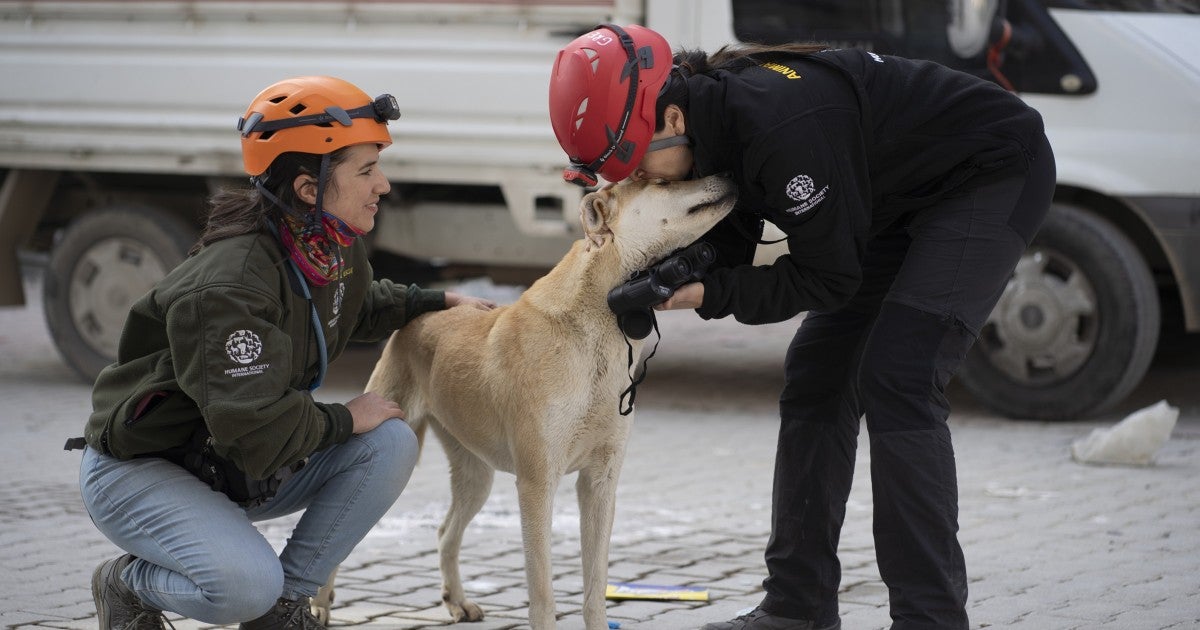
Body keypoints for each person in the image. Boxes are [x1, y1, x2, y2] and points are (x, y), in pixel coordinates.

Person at [549, 24, 1054, 630]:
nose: (645, 182)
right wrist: (689, 264)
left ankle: (930, 618)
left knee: (900, 374)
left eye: (639, 166)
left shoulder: (781, 124)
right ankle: (798, 607)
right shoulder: (716, 118)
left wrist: (710, 293)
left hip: (990, 172)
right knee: (818, 375)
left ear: (673, 119)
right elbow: (738, 230)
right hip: (897, 199)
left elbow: (827, 277)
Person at [71, 75, 495, 630]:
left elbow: (355, 304)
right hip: (145, 470)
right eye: (366, 171)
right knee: (241, 587)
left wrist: (438, 301)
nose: (383, 185)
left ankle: (284, 608)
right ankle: (126, 583)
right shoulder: (230, 288)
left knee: (389, 442)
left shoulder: (324, 245)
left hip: (227, 465)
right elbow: (256, 429)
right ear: (306, 187)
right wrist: (345, 418)